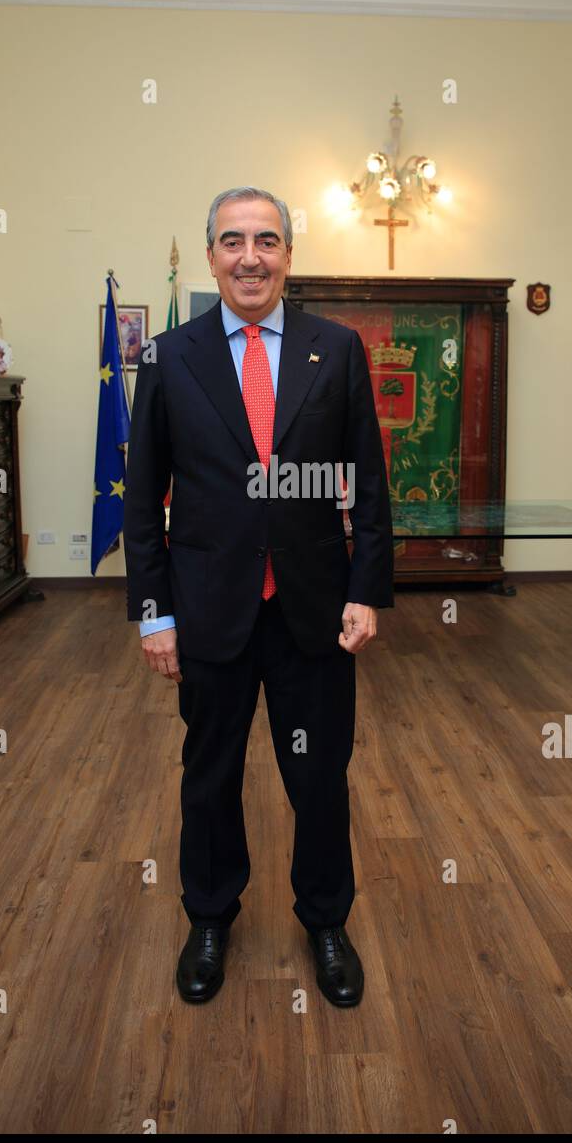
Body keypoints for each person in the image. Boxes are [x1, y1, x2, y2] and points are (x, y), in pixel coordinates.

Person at [123, 186, 394, 1008]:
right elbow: (143, 500)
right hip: (208, 612)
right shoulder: (169, 358)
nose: (251, 256)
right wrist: (155, 612)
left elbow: (367, 483)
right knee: (208, 779)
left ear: (287, 255)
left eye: (267, 241)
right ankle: (210, 918)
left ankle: (324, 921)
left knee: (318, 780)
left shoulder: (335, 348)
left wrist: (366, 589)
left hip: (311, 612)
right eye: (234, 241)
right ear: (211, 256)